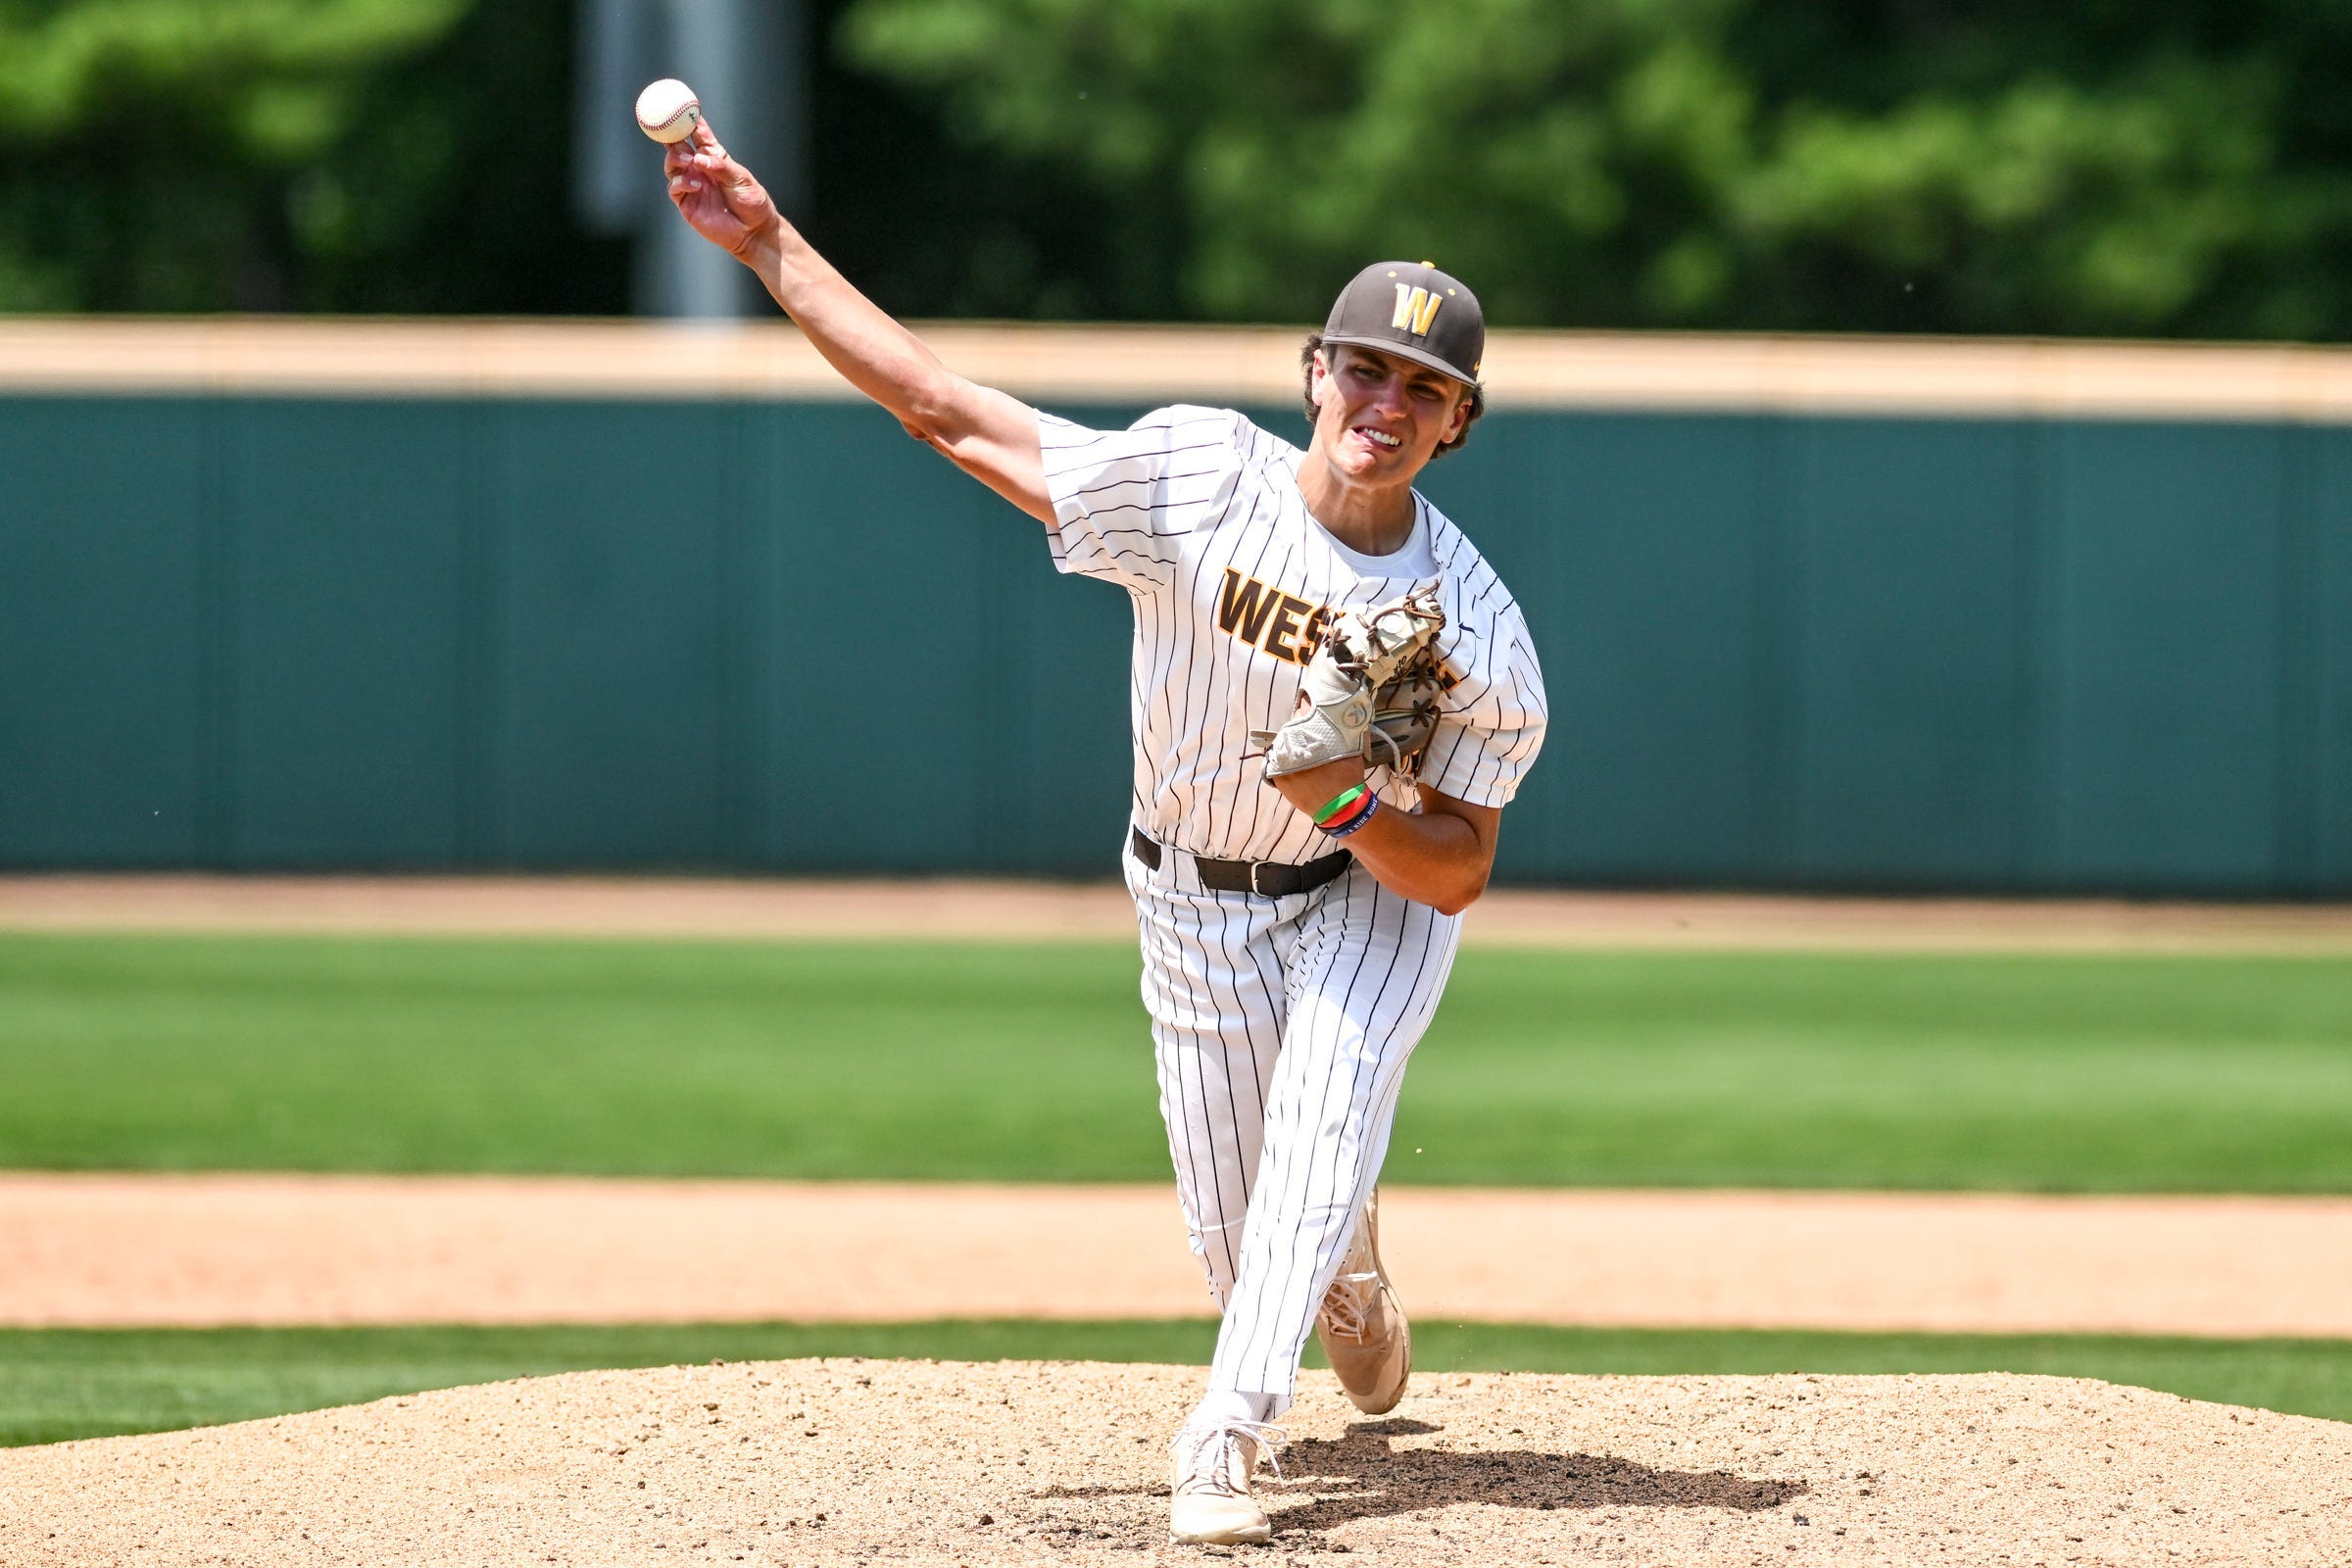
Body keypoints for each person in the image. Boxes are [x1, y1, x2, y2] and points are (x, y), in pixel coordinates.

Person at [661, 112, 1546, 1546]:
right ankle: (1346, 1275)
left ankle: (1226, 1435)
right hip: (1189, 899)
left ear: (1459, 422)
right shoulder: (1197, 479)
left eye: (1424, 386)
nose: (1386, 400)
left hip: (1357, 896)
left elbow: (1456, 873)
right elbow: (947, 409)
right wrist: (769, 246)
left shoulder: (1482, 632)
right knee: (1234, 1232)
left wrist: (1339, 799)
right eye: (1366, 367)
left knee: (1325, 1117)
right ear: (1316, 375)